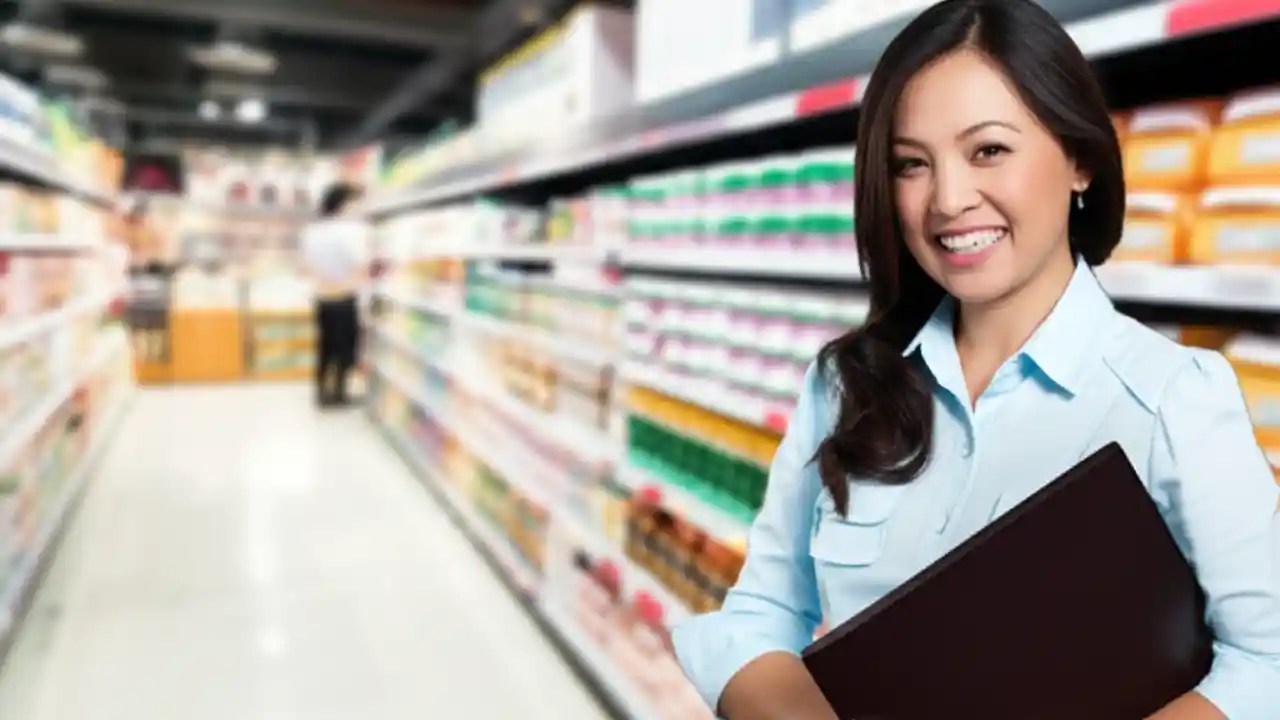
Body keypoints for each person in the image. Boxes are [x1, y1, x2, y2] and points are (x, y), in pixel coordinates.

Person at [671, 1, 1280, 719]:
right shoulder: (847, 386)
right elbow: (762, 613)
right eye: (912, 165)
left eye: (988, 150)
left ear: (1080, 158)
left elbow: (1266, 661)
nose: (949, 200)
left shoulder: (1174, 398)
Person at [301, 182, 368, 408]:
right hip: (343, 298)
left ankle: (322, 394)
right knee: (346, 348)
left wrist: (324, 284)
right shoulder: (350, 230)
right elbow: (360, 266)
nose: (359, 207)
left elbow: (308, 265)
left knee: (325, 347)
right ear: (344, 204)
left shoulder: (312, 230)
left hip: (322, 297)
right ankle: (339, 394)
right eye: (356, 203)